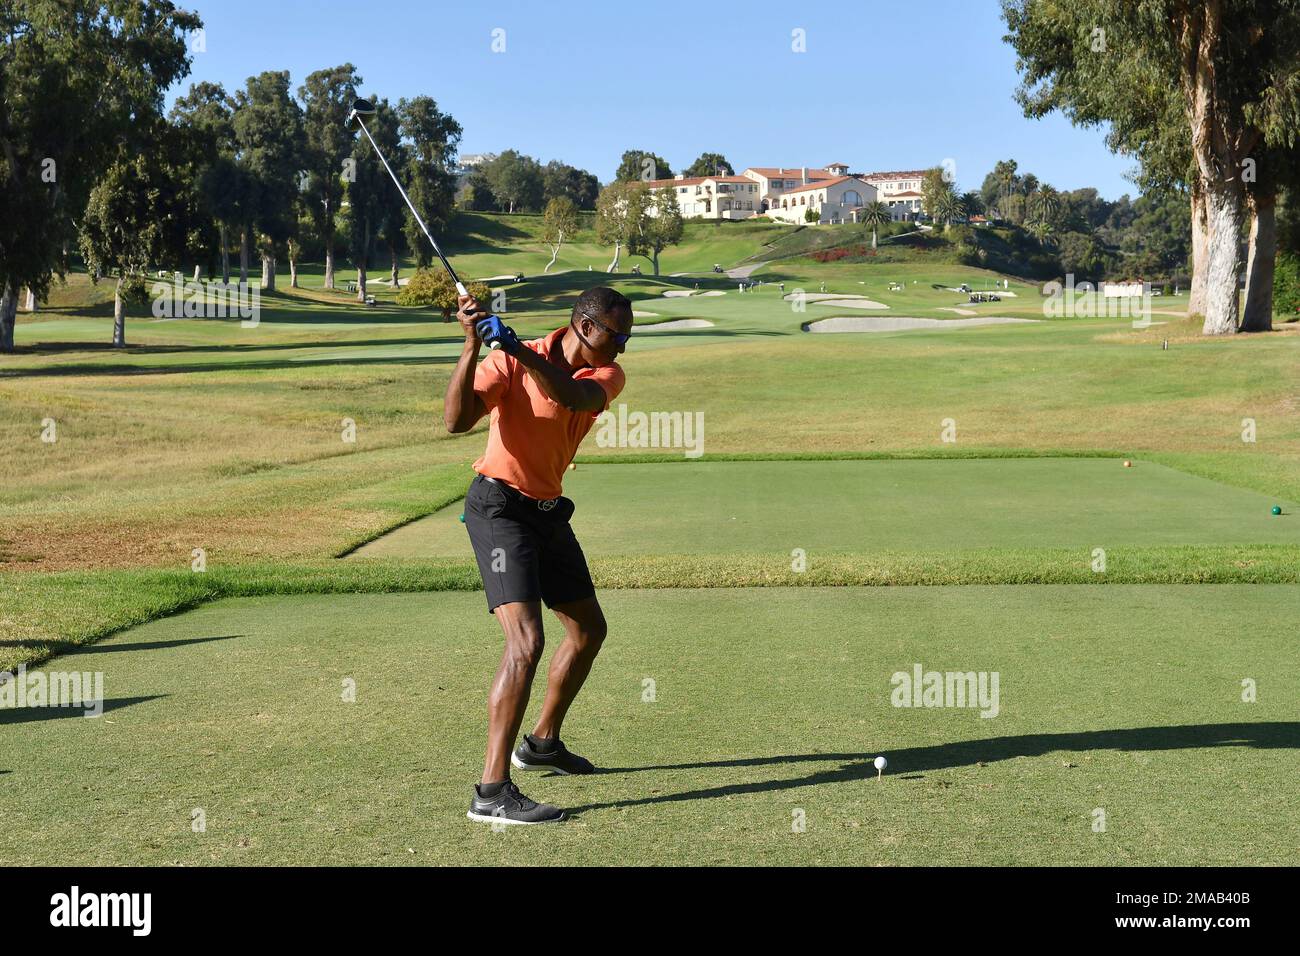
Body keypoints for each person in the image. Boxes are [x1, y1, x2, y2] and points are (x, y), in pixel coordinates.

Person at [443, 287, 633, 825]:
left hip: (548, 513)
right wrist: (470, 348)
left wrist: (517, 352)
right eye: (615, 335)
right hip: (499, 509)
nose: (621, 347)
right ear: (586, 326)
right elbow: (456, 422)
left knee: (589, 631)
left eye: (626, 337)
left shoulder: (604, 376)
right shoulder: (506, 357)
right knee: (525, 643)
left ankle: (543, 742)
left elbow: (569, 397)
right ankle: (491, 789)